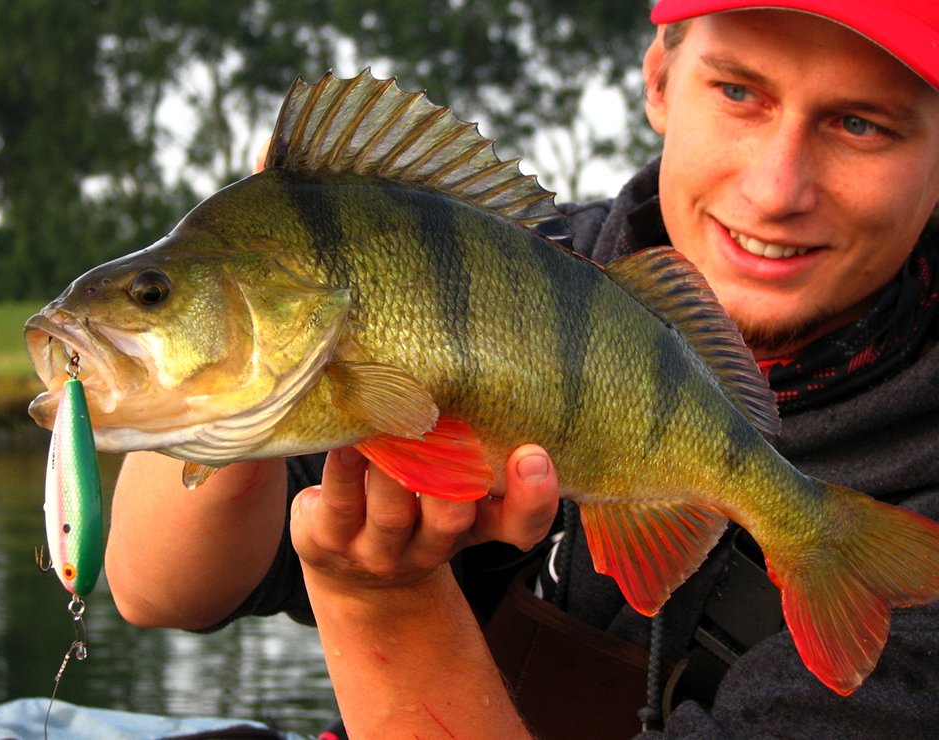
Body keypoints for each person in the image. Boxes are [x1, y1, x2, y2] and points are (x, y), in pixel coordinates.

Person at [105, 0, 939, 737]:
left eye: (861, 124)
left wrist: (384, 601)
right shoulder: (536, 262)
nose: (775, 188)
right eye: (738, 91)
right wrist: (214, 383)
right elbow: (161, 593)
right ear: (658, 79)